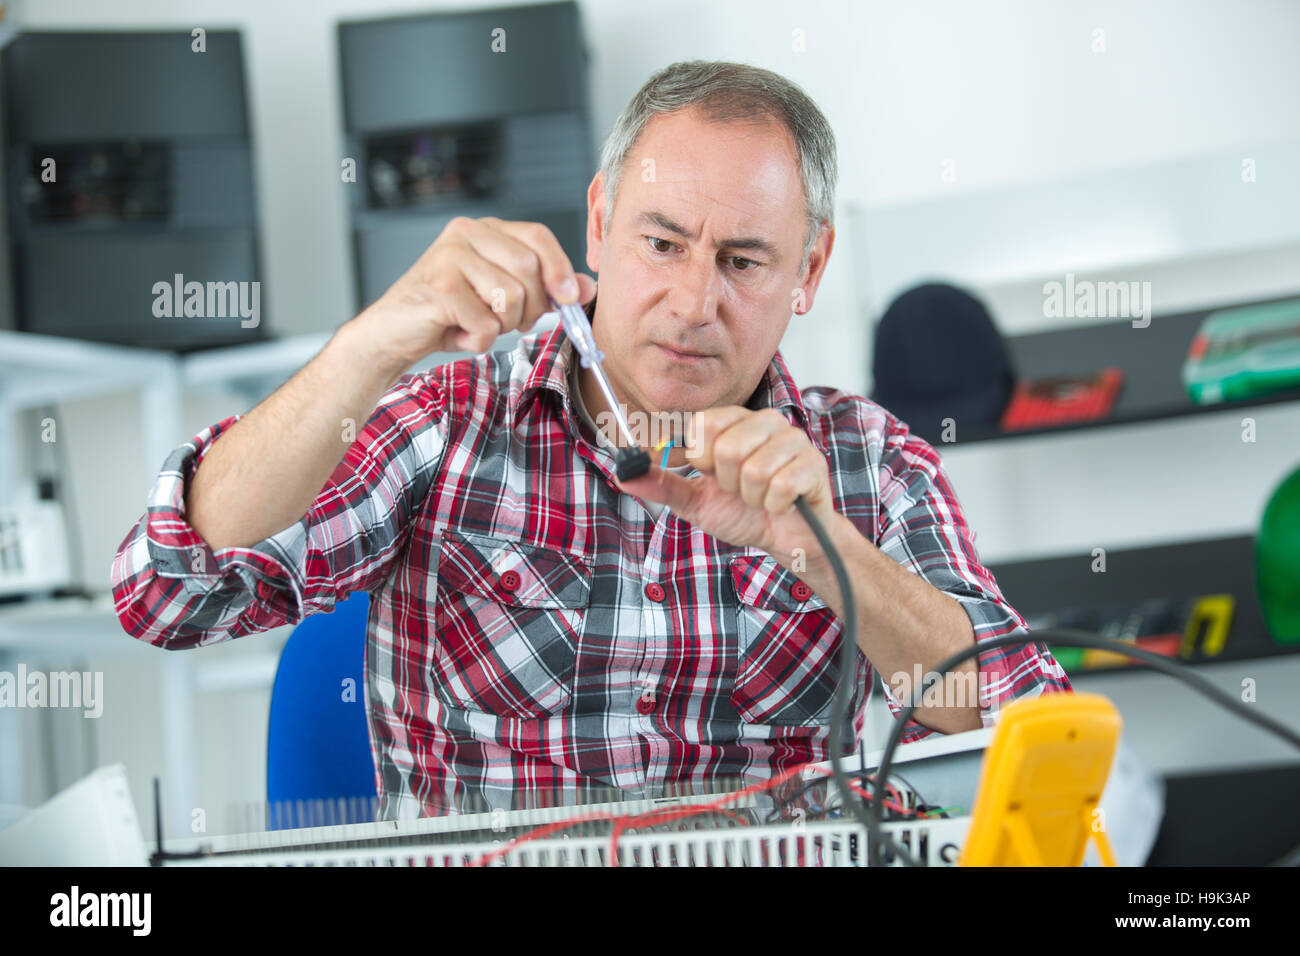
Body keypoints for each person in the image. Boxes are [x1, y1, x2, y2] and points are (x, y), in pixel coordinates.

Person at [111, 60, 1070, 818]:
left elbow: (1037, 732)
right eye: (662, 244)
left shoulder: (862, 461)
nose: (696, 304)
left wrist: (816, 549)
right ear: (601, 223)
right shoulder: (445, 425)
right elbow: (164, 595)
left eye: (743, 261)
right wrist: (370, 345)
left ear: (809, 268)